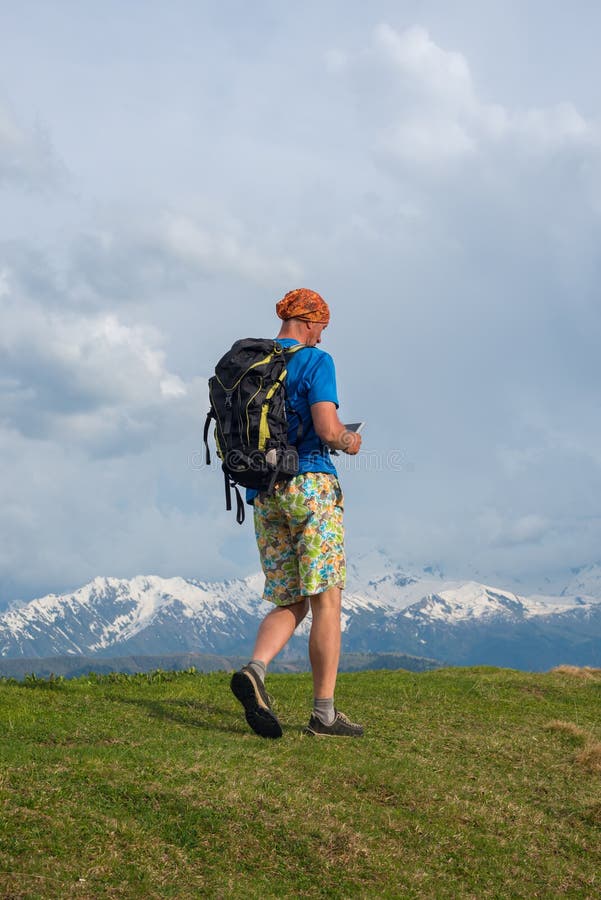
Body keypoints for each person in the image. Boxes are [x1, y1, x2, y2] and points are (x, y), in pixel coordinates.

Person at [230, 288, 364, 738]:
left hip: (265, 494)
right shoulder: (315, 362)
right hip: (309, 486)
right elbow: (327, 430)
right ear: (309, 322)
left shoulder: (259, 363)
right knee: (327, 601)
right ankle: (323, 715)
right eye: (322, 328)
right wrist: (350, 440)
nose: (323, 338)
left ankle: (255, 670)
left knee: (290, 598)